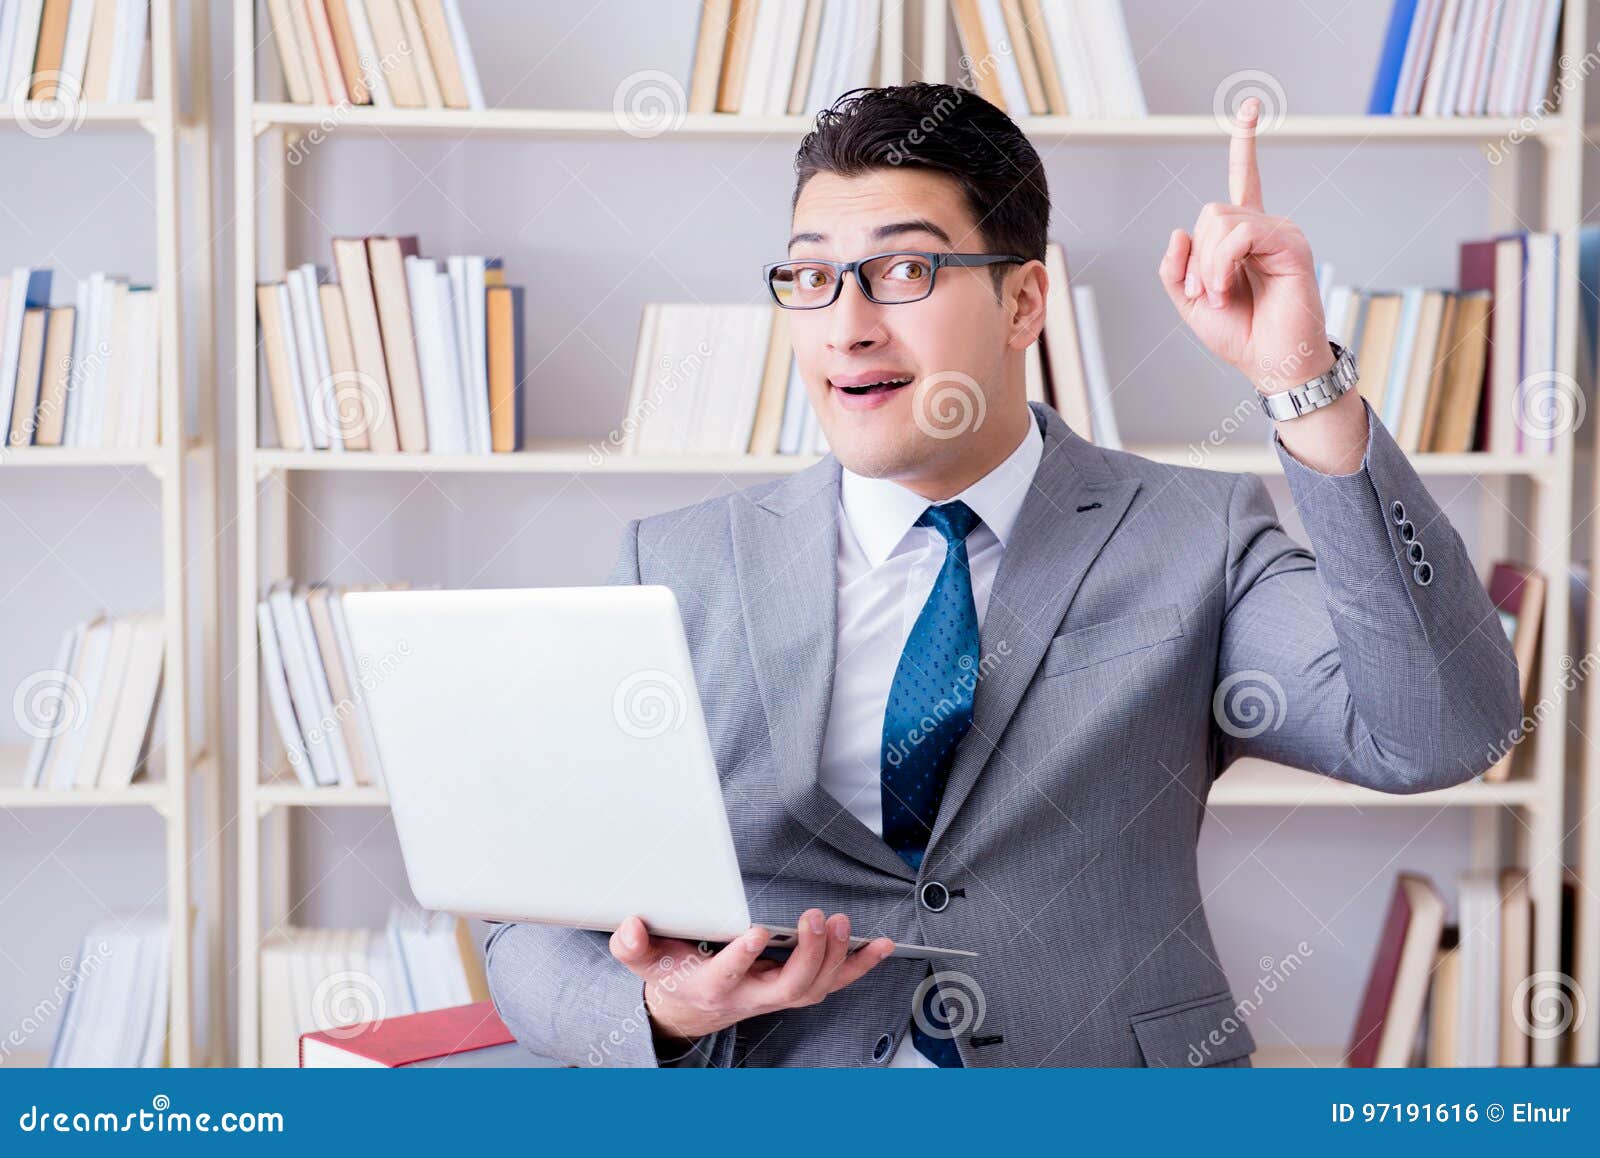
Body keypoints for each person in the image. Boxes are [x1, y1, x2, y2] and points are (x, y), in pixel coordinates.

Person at [485, 83, 1523, 1067]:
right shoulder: (675, 564)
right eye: (811, 275)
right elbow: (527, 925)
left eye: (905, 271)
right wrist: (660, 1009)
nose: (848, 323)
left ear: (1024, 300)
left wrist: (1304, 387)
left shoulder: (1189, 533)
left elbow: (1437, 733)